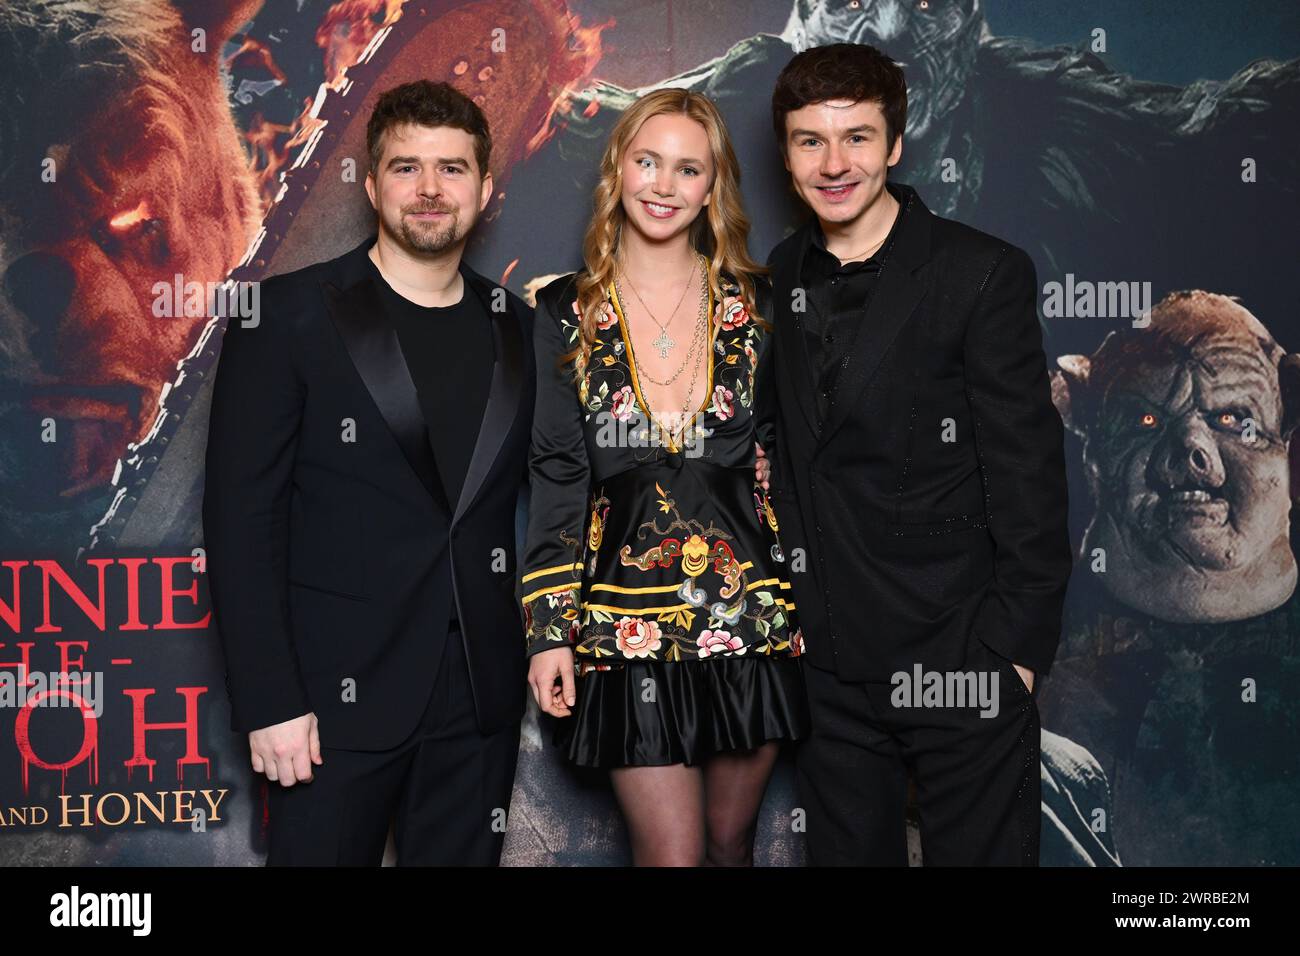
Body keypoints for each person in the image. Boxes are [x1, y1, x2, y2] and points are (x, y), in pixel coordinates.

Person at [202, 80, 535, 865]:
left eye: (452, 169)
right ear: (371, 181)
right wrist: (270, 701)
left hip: (477, 699)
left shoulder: (521, 327)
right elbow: (239, 519)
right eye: (406, 167)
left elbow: (566, 481)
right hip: (326, 703)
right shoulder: (285, 316)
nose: (429, 189)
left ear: (485, 189)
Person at [763, 43, 1072, 865]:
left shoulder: (980, 273)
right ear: (785, 152)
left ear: (896, 145)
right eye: (810, 141)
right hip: (827, 668)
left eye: (858, 138)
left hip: (961, 657)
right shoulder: (781, 273)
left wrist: (1016, 653)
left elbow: (1029, 474)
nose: (835, 164)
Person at [521, 88, 810, 866]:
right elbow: (556, 475)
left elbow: (785, 468)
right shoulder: (564, 312)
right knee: (672, 856)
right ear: (618, 169)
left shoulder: (758, 309)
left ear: (712, 187)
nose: (662, 184)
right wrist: (550, 633)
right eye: (647, 161)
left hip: (750, 619)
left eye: (688, 168)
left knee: (728, 845)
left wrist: (810, 598)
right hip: (623, 627)